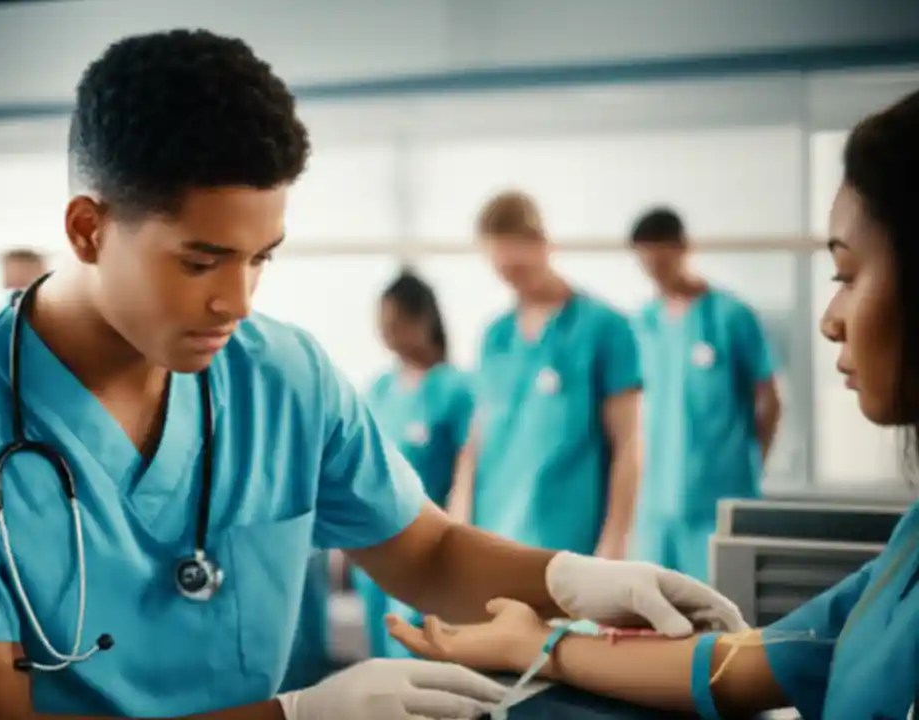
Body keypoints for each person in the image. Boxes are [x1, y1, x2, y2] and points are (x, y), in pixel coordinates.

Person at [0, 30, 743, 720]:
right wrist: (293, 714)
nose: (233, 302)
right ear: (88, 229)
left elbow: (423, 550)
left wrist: (576, 578)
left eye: (260, 259)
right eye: (199, 262)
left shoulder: (283, 375)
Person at [387, 89, 919, 720]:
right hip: (528, 543)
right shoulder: (904, 553)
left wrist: (602, 556)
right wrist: (541, 643)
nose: (831, 320)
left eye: (847, 277)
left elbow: (653, 438)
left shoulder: (637, 327)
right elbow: (745, 663)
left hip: (655, 514)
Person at [449, 191, 642, 560]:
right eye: (501, 270)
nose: (513, 279)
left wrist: (616, 543)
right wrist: (457, 528)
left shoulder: (606, 329)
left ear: (541, 244)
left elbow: (629, 444)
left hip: (571, 543)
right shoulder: (496, 336)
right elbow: (476, 442)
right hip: (495, 536)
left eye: (518, 267)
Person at [629, 208, 783, 581]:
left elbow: (769, 401)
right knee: (650, 613)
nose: (656, 272)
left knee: (720, 612)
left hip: (719, 496)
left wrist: (751, 465)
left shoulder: (731, 316)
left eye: (662, 261)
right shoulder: (643, 324)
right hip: (655, 505)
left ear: (683, 249)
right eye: (647, 264)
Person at [354, 270, 475, 659]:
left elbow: (468, 466)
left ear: (421, 320)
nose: (386, 333)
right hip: (372, 545)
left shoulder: (456, 388)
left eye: (394, 323)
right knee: (380, 652)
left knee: (418, 653)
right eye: (381, 325)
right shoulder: (379, 389)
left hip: (427, 544)